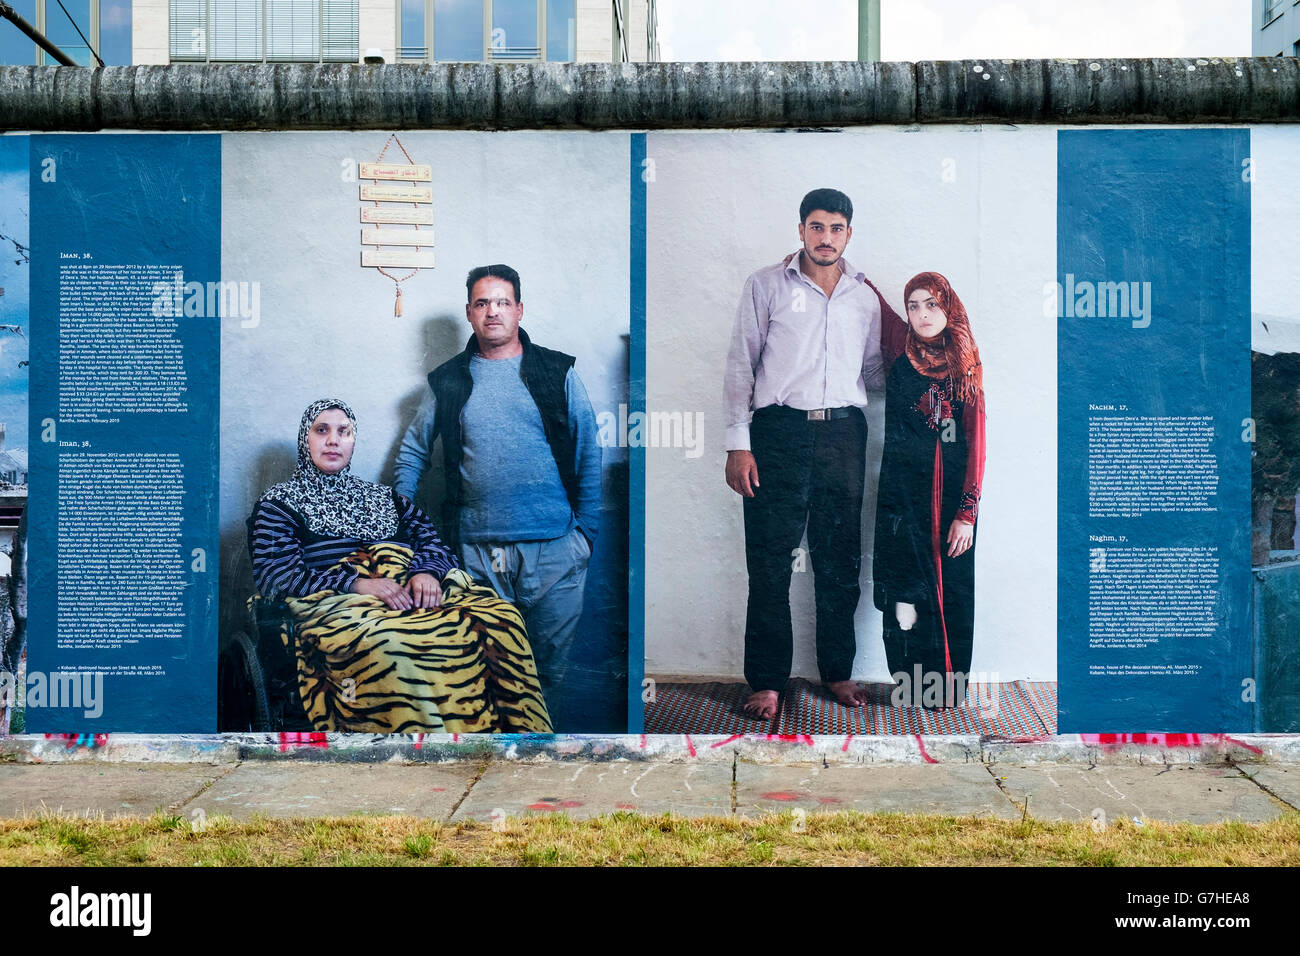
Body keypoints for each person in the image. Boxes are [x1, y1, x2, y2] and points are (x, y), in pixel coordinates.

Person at [249, 398, 553, 734]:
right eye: (321, 430)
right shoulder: (279, 503)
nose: (333, 440)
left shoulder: (386, 499)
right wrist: (357, 583)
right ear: (304, 440)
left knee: (502, 618)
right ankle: (423, 749)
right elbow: (276, 576)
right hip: (342, 603)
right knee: (390, 642)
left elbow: (433, 542)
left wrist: (425, 572)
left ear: (353, 440)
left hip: (408, 591)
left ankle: (509, 743)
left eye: (343, 431)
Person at [394, 264, 602, 727]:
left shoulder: (556, 371)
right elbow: (412, 456)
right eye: (482, 303)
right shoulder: (448, 381)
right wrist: (407, 532)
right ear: (469, 312)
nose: (493, 312)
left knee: (547, 674)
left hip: (555, 553)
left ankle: (536, 777)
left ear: (520, 310)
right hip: (475, 555)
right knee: (479, 675)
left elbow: (590, 450)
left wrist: (585, 536)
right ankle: (486, 780)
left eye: (503, 302)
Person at [723, 187, 887, 721]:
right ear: (800, 230)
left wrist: (939, 371)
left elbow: (872, 373)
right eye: (816, 226)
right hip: (778, 435)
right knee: (769, 562)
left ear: (849, 233)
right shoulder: (765, 285)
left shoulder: (864, 297)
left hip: (844, 434)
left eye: (836, 228)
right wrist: (738, 445)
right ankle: (767, 683)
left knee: (839, 561)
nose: (826, 237)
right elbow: (740, 369)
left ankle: (838, 672)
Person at [872, 272, 986, 708]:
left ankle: (945, 688)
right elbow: (881, 313)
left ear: (948, 307)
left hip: (948, 501)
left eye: (931, 305)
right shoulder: (903, 358)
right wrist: (853, 277)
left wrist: (967, 513)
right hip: (901, 500)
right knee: (905, 591)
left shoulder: (964, 364)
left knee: (948, 591)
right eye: (914, 306)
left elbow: (974, 441)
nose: (922, 314)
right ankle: (909, 683)